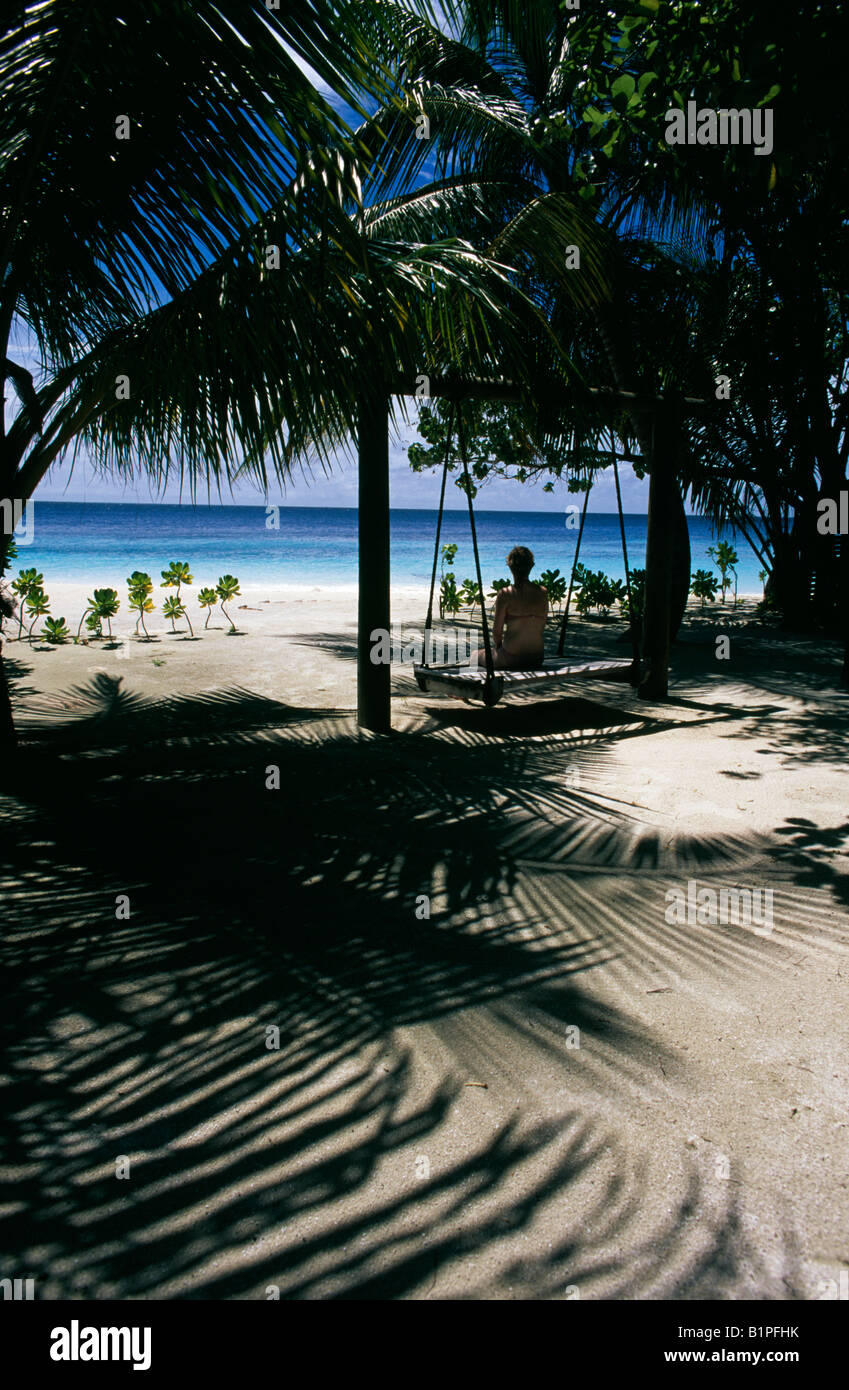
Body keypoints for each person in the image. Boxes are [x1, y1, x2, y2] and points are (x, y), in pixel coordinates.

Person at [472, 546, 548, 670]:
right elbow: (540, 627)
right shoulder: (543, 592)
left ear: (510, 566)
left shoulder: (505, 594)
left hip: (512, 657)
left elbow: (497, 633)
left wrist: (499, 648)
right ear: (532, 566)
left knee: (475, 655)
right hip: (537, 657)